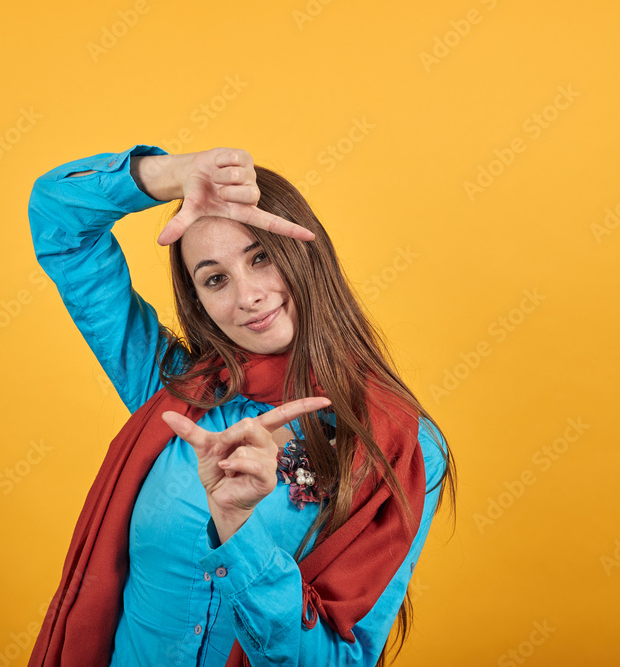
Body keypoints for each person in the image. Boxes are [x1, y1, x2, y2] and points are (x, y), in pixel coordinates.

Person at [25, 145, 455, 667]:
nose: (247, 295)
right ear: (199, 302)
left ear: (307, 252)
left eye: (261, 257)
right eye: (215, 278)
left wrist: (238, 527)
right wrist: (174, 175)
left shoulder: (404, 447)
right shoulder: (174, 395)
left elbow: (337, 661)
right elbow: (60, 218)